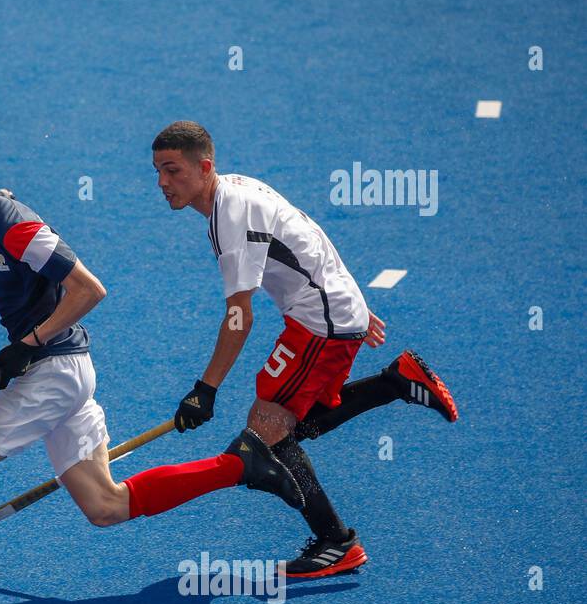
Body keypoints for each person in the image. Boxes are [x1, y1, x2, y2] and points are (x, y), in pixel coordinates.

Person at [0, 123, 304, 604]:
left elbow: (89, 290)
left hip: (55, 371)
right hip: (54, 374)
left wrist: (32, 341)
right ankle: (240, 465)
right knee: (105, 506)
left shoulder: (15, 225)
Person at [152, 120, 459, 578]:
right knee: (283, 430)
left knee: (265, 433)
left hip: (320, 325)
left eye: (173, 170)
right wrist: (353, 302)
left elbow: (240, 317)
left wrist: (205, 389)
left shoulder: (232, 214)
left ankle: (337, 542)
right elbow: (310, 234)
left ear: (205, 167)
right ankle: (395, 382)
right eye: (158, 171)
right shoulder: (233, 192)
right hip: (329, 315)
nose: (162, 183)